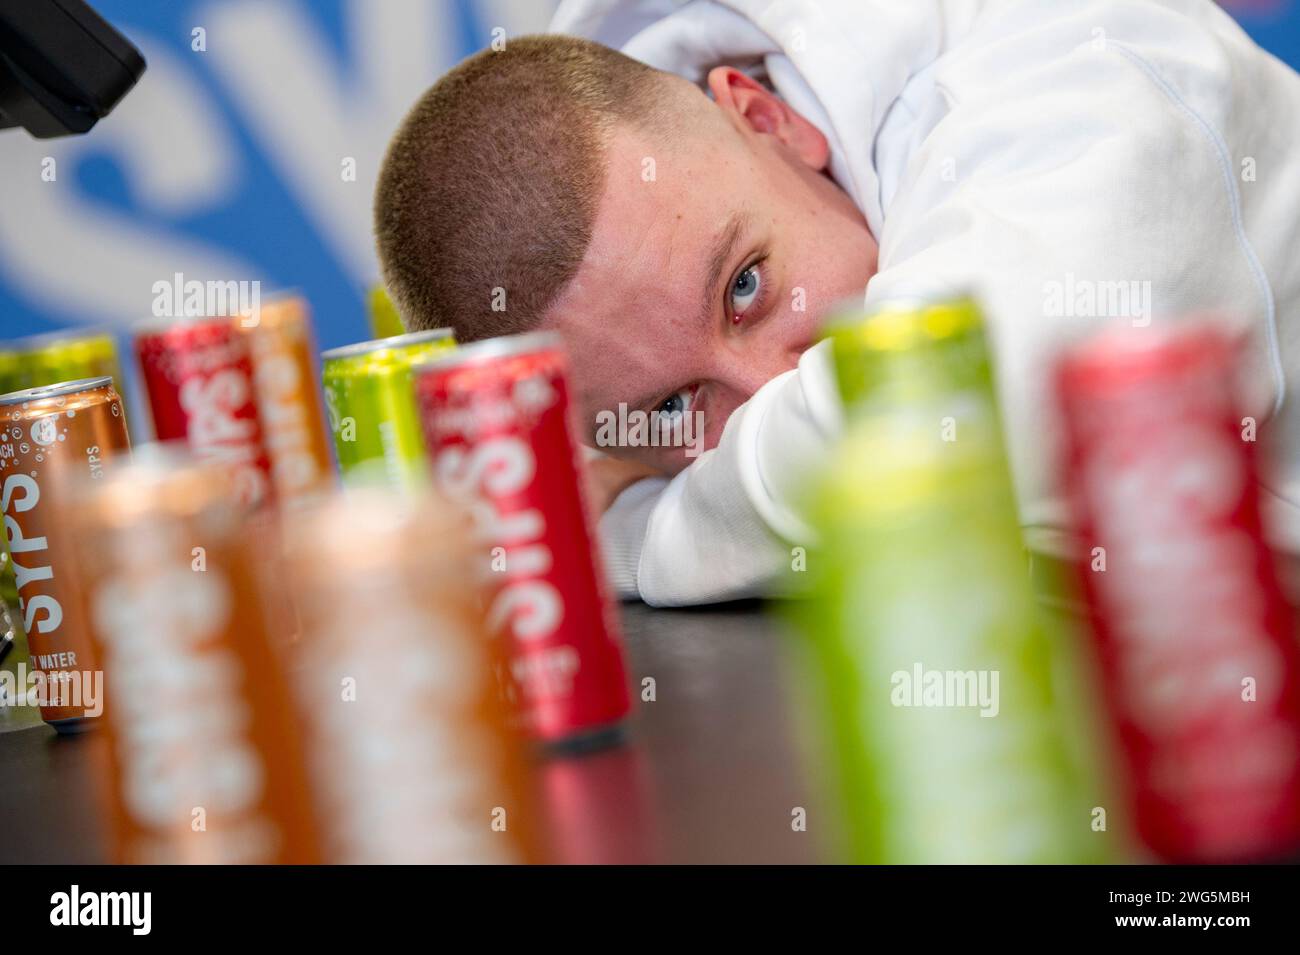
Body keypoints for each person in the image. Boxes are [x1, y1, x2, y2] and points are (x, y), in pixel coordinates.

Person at [374, 0, 1300, 606]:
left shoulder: (1087, 68)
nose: (769, 383)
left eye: (745, 286)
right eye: (668, 408)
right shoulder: (711, 191)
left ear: (767, 120)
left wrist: (626, 535)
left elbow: (967, 419)